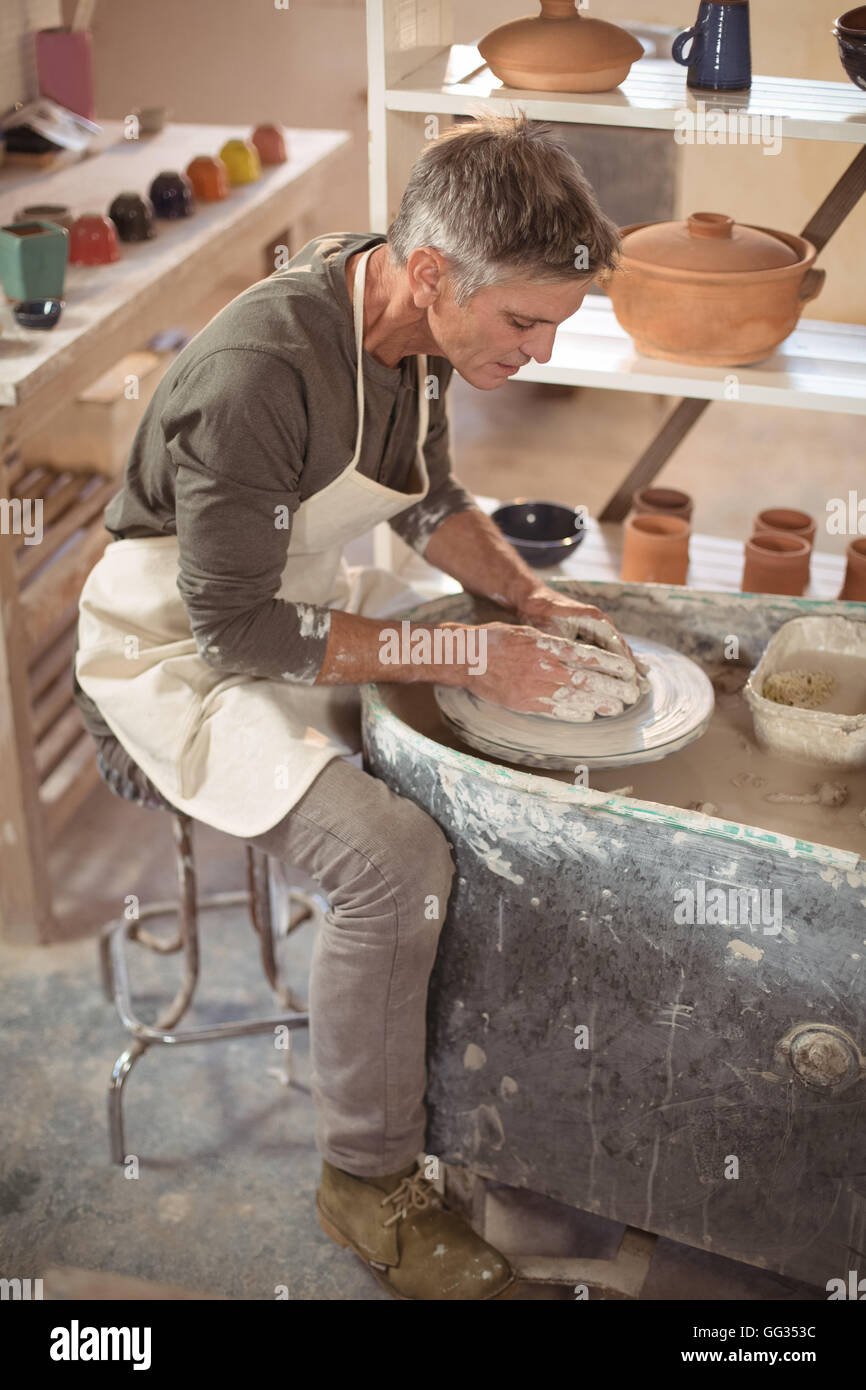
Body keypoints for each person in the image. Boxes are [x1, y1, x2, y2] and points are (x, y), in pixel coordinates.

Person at [73, 112, 642, 1300]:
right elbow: (234, 630)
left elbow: (430, 499)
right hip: (181, 649)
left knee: (490, 737)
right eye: (522, 322)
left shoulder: (404, 311)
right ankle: (367, 1180)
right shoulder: (258, 377)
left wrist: (529, 604)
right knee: (391, 861)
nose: (535, 354)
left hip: (307, 595)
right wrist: (461, 654)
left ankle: (483, 1100)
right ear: (432, 273)